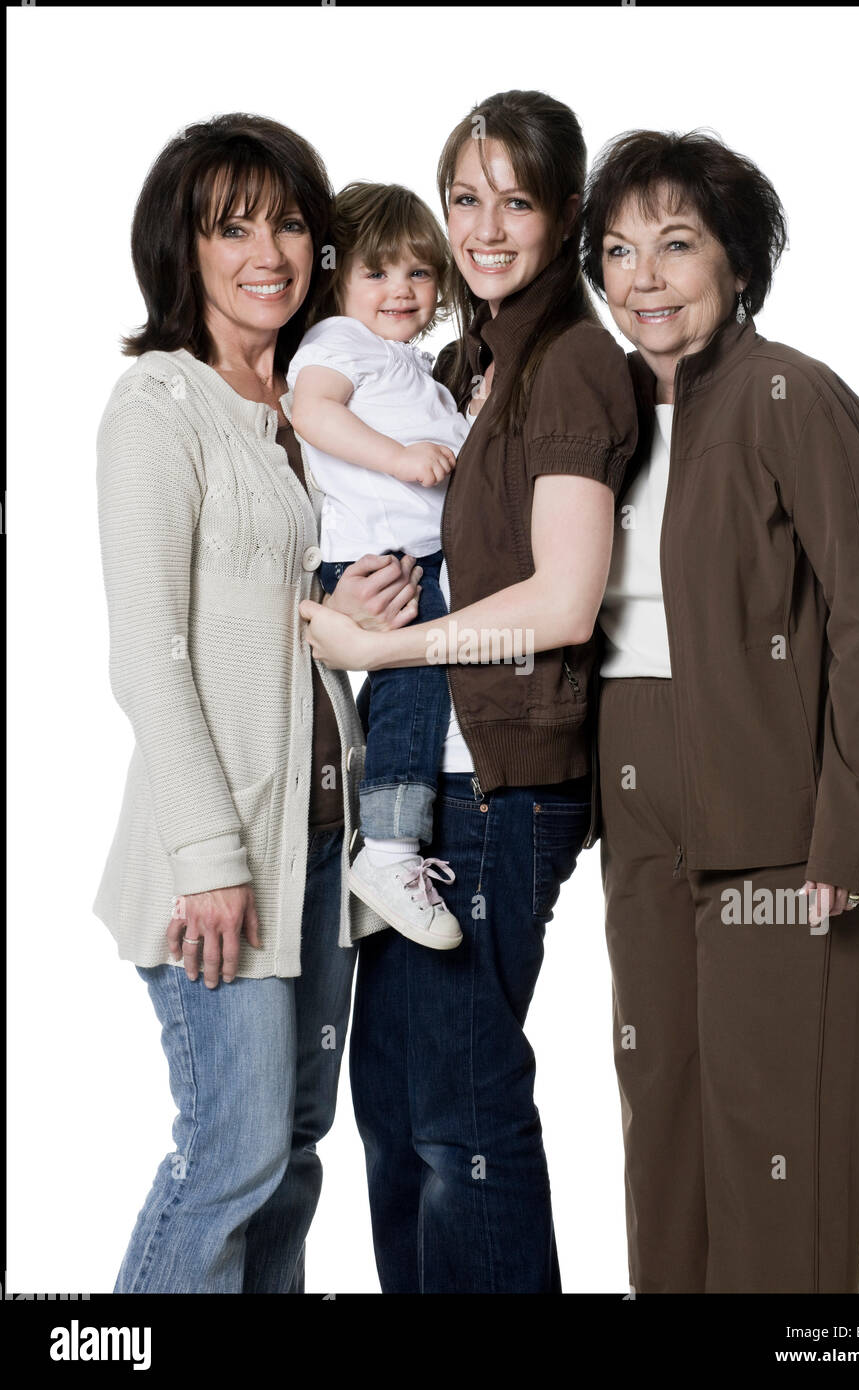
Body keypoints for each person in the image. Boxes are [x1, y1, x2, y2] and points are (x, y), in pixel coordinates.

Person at [579, 127, 859, 1293]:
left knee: (782, 1144)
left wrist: (852, 829)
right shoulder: (610, 417)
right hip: (645, 823)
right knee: (663, 1124)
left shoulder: (794, 397)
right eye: (620, 252)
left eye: (676, 245)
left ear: (737, 261)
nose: (645, 277)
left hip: (787, 824)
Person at [301, 89, 638, 1293]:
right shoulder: (455, 365)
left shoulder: (573, 363)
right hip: (418, 788)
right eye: (463, 198)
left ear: (565, 212)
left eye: (516, 199)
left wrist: (384, 649)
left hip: (499, 786)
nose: (484, 227)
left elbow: (560, 603)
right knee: (391, 1111)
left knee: (461, 1115)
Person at [93, 112, 413, 1293]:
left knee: (289, 1154)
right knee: (226, 1157)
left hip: (321, 848)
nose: (267, 249)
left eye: (287, 221)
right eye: (233, 226)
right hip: (217, 856)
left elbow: (286, 630)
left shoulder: (304, 415)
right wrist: (207, 852)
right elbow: (148, 654)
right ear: (187, 246)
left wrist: (353, 611)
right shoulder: (161, 407)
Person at [289, 182, 475, 950]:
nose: (401, 289)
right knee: (415, 678)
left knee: (415, 686)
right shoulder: (338, 343)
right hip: (376, 554)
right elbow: (313, 413)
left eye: (419, 273)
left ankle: (384, 845)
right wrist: (399, 457)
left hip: (415, 551)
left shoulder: (409, 363)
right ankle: (392, 849)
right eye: (378, 271)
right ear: (337, 279)